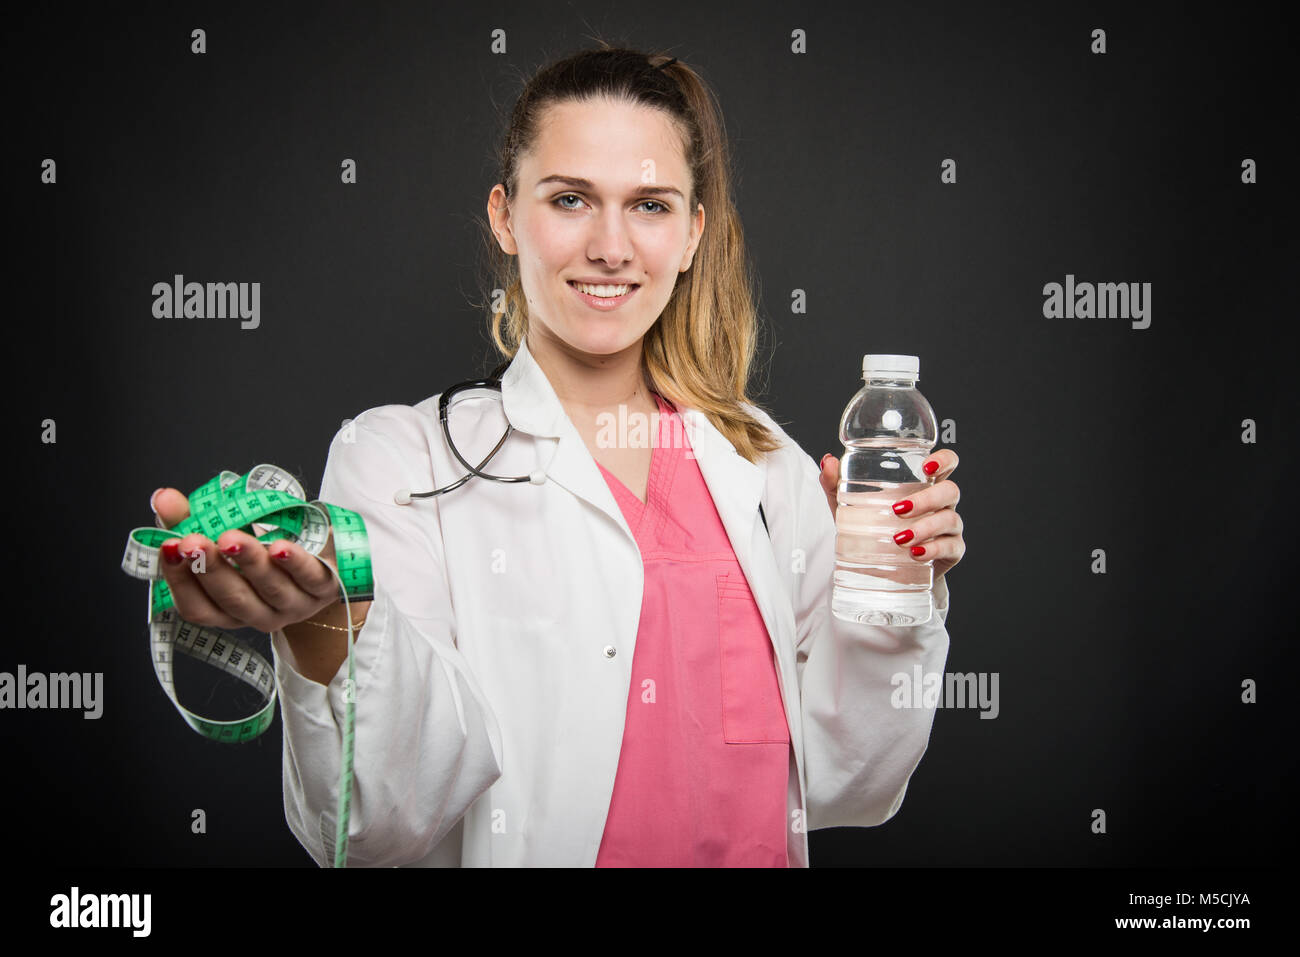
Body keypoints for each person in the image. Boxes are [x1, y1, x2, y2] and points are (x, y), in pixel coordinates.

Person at [149, 45, 965, 867]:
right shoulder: (398, 463)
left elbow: (844, 780)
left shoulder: (766, 467)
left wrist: (898, 591)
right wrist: (327, 622)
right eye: (571, 198)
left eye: (650, 206)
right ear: (505, 216)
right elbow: (375, 830)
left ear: (691, 235)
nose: (611, 247)